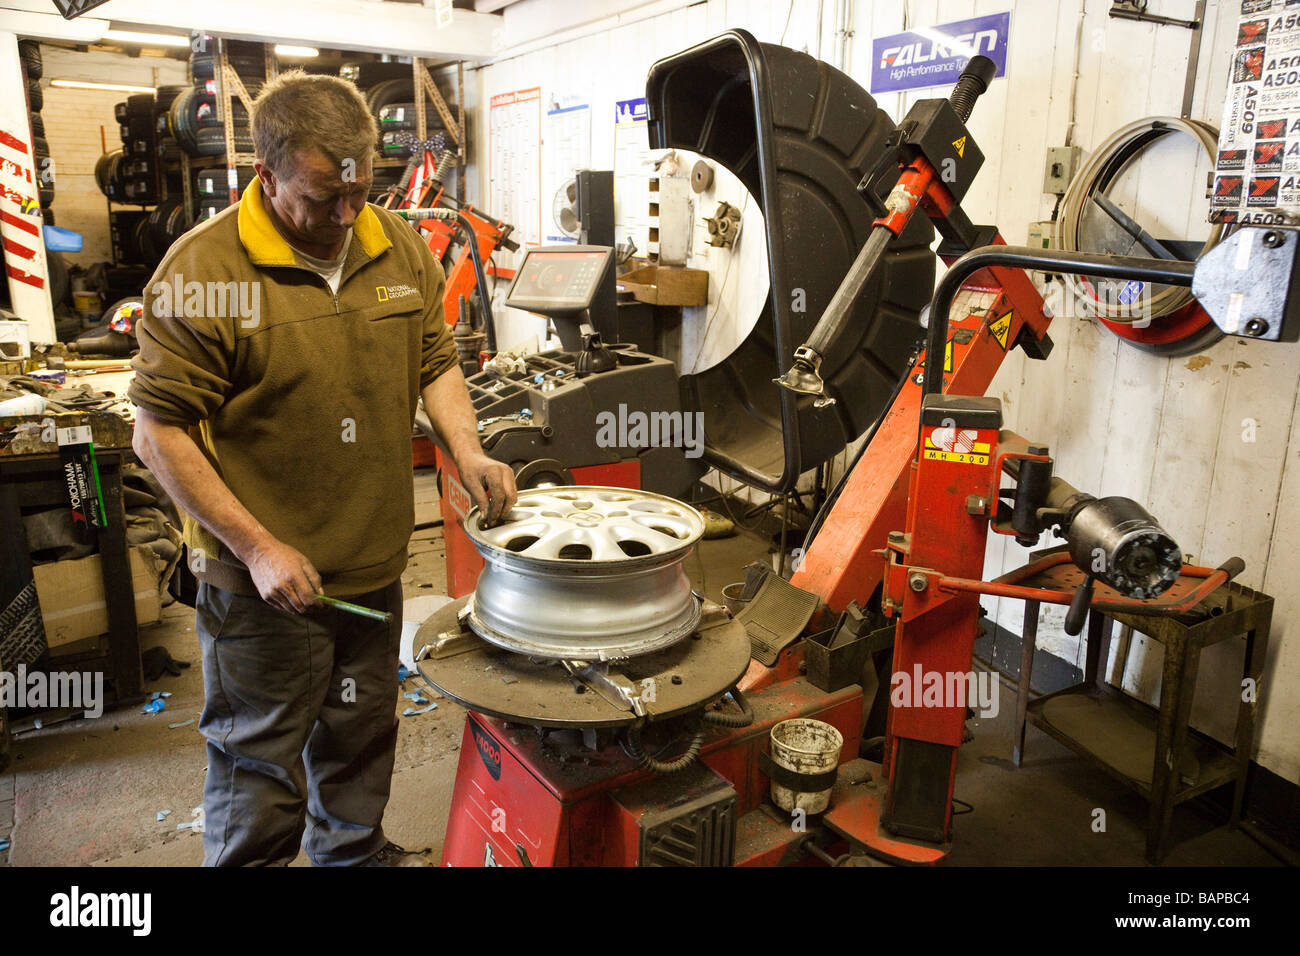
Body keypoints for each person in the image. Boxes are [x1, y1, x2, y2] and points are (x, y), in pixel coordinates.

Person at [129, 70, 516, 866]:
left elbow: (434, 359)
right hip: (265, 588)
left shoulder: (394, 240)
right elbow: (158, 433)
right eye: (320, 198)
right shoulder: (206, 275)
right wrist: (258, 547)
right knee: (258, 761)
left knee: (361, 731)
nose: (344, 217)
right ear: (264, 175)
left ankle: (352, 854)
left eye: (358, 192)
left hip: (370, 569)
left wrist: (467, 449)